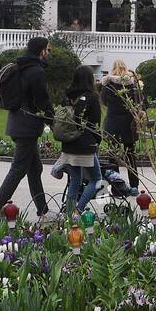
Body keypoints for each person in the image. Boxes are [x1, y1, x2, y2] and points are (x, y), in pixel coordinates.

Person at [0, 37, 55, 219]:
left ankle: (43, 210)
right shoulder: (35, 71)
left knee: (35, 169)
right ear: (41, 51)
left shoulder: (22, 66)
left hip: (18, 122)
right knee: (18, 169)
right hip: (27, 126)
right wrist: (53, 121)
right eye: (47, 50)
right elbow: (42, 100)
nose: (48, 53)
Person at [58, 65, 103, 215]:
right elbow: (95, 123)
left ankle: (69, 213)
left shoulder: (67, 96)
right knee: (96, 179)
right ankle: (79, 209)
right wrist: (98, 140)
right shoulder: (92, 97)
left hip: (68, 143)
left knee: (75, 180)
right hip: (85, 144)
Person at [101, 60, 144, 193]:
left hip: (112, 122)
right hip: (128, 123)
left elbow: (104, 101)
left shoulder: (108, 85)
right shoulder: (133, 85)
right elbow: (141, 101)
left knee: (113, 156)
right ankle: (134, 186)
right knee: (130, 154)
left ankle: (117, 186)